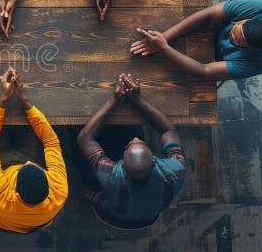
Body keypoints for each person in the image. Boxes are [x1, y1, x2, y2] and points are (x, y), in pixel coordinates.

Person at [77, 74, 186, 229]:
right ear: (154, 159)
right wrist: (137, 100)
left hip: (116, 209)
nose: (135, 139)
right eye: (141, 143)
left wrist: (114, 100)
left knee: (88, 178)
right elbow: (168, 130)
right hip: (150, 206)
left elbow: (84, 138)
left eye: (129, 145)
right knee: (130, 127)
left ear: (120, 167)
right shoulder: (174, 171)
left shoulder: (111, 178)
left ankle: (94, 196)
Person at [0, 67, 68, 233]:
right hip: (18, 172)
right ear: (48, 183)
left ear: (15, 190)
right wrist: (24, 100)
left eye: (25, 167)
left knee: (0, 123)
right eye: (34, 166)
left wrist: (4, 99)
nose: (28, 162)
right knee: (30, 123)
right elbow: (51, 143)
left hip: (4, 173)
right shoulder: (59, 190)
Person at [130, 0, 262, 81]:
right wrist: (165, 37)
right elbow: (207, 15)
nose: (230, 34)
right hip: (208, 29)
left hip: (218, 60)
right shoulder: (257, 6)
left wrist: (164, 48)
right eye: (233, 29)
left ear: (251, 50)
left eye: (235, 40)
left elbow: (205, 72)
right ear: (245, 20)